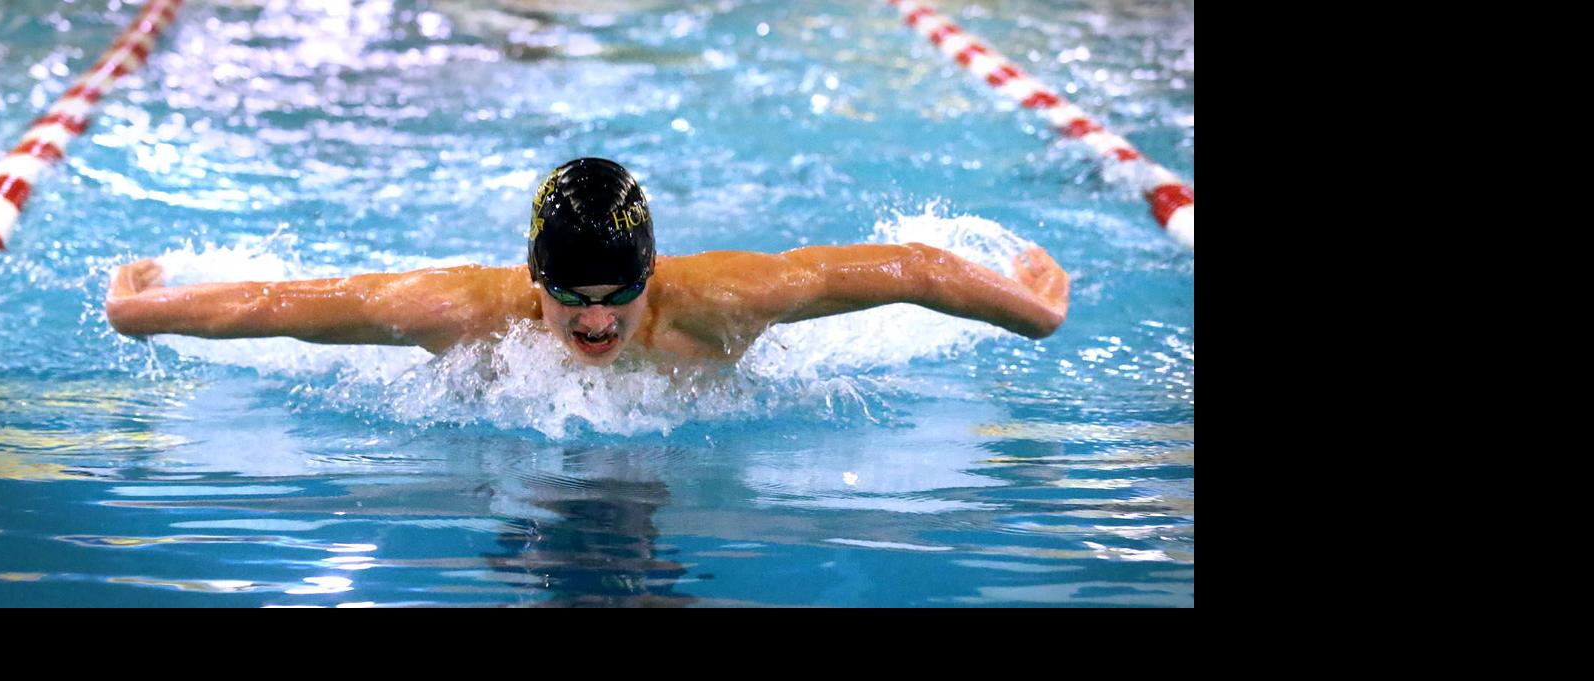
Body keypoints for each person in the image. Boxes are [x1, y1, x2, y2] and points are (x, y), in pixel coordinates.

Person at [106, 158, 1070, 366]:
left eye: (619, 295)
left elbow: (910, 269)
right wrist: (137, 311)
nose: (597, 321)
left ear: (656, 273)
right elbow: (288, 305)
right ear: (533, 279)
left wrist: (1036, 311)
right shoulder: (463, 311)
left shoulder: (723, 300)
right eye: (570, 297)